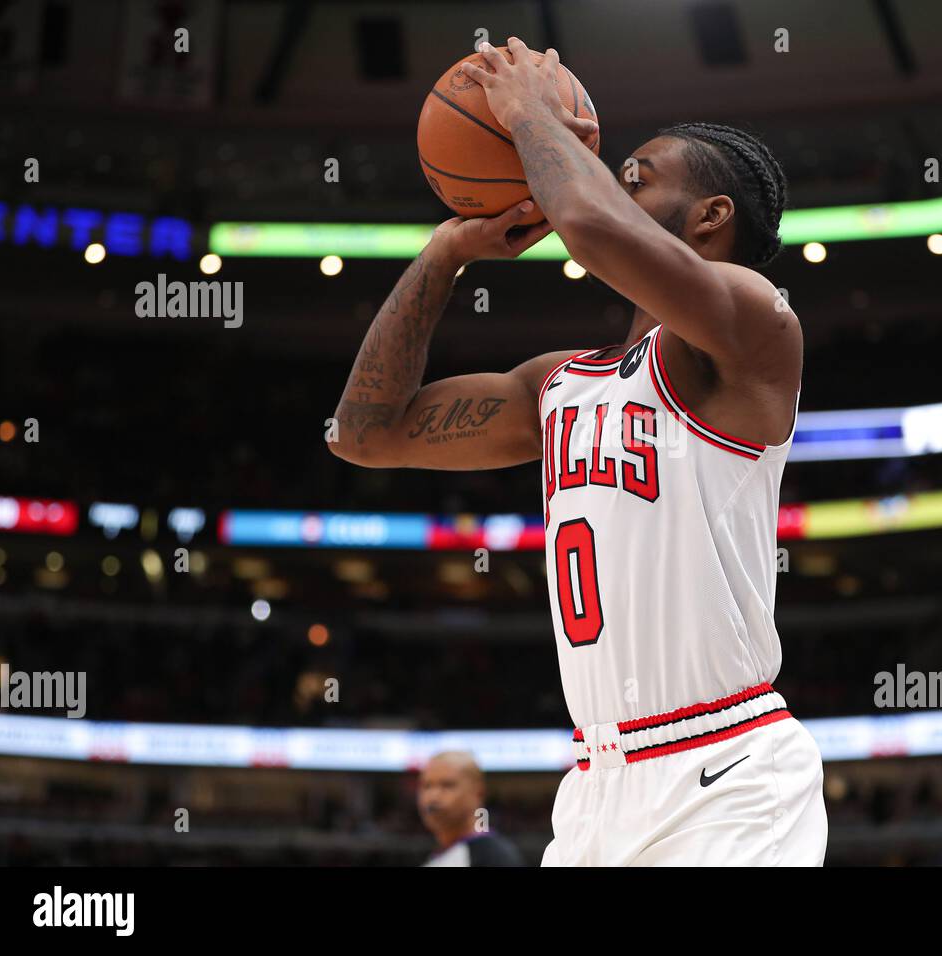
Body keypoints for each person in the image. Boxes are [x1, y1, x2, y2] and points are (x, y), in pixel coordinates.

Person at [330, 37, 826, 866]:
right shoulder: (557, 384)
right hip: (595, 788)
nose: (610, 182)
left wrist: (528, 111)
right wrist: (444, 253)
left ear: (711, 216)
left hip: (725, 768)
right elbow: (362, 434)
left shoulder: (754, 319)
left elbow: (589, 223)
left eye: (638, 175)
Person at [418, 751, 524, 867]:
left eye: (447, 785)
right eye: (427, 786)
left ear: (478, 793)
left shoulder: (494, 856)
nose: (433, 797)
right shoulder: (438, 856)